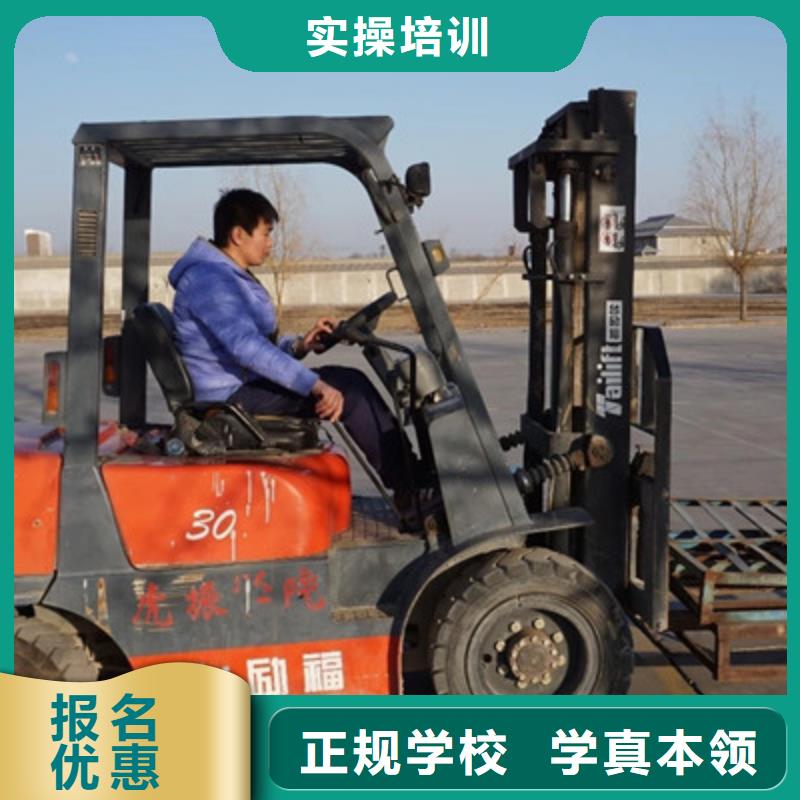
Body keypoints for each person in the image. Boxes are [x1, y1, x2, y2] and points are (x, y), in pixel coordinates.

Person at [168, 188, 412, 497]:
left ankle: (412, 483)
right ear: (238, 235)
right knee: (350, 389)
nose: (271, 243)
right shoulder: (210, 280)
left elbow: (253, 344)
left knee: (349, 382)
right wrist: (314, 385)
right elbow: (246, 348)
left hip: (242, 388)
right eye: (266, 233)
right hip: (229, 400)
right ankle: (413, 492)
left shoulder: (225, 275)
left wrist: (299, 346)